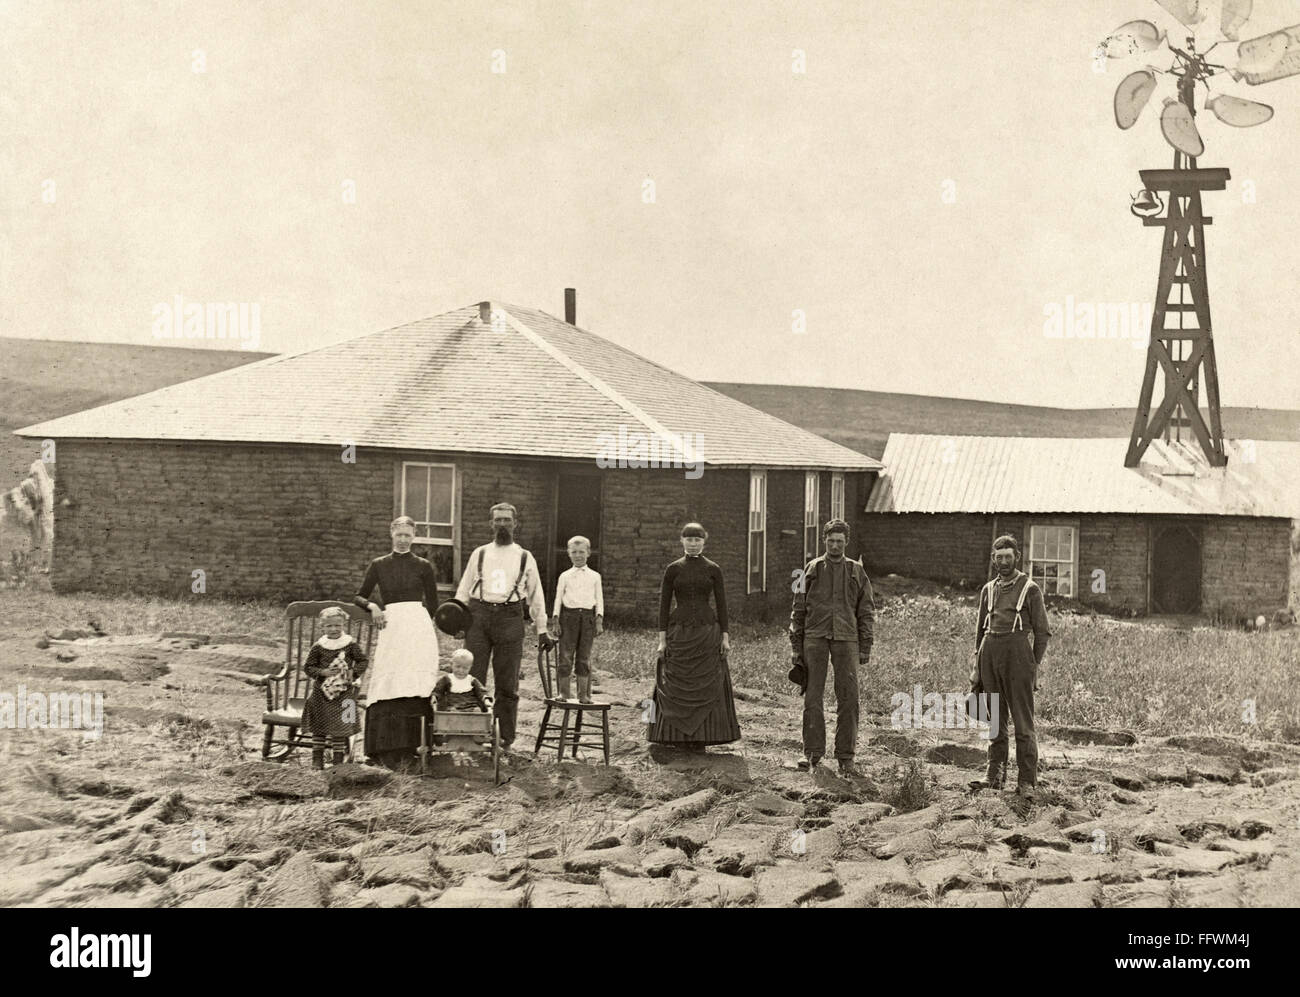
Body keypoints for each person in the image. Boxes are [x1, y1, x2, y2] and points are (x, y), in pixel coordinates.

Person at [453, 502, 552, 752]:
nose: (502, 524)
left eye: (507, 520)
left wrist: (542, 628)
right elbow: (464, 589)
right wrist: (457, 619)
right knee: (471, 676)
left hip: (510, 617)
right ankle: (470, 732)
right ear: (491, 524)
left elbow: (536, 594)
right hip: (478, 615)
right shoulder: (480, 553)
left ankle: (504, 737)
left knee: (507, 681)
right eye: (498, 520)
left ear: (515, 524)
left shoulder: (524, 556)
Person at [354, 516, 442, 770]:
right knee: (388, 680)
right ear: (391, 534)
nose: (403, 539)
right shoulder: (379, 564)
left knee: (415, 681)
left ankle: (414, 746)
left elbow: (435, 605)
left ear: (414, 536)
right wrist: (373, 606)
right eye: (399, 534)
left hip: (417, 626)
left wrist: (447, 626)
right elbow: (359, 595)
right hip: (391, 624)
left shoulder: (424, 565)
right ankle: (382, 748)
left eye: (408, 535)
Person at [789, 518, 874, 777]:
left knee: (849, 698)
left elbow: (867, 610)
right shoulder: (810, 569)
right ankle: (812, 754)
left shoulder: (857, 571)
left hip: (847, 638)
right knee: (813, 697)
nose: (835, 545)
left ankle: (846, 756)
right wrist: (796, 646)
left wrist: (865, 645)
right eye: (830, 540)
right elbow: (797, 609)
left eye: (840, 541)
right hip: (814, 638)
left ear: (846, 542)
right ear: (824, 540)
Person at [648, 522, 740, 749]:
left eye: (697, 539)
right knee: (671, 679)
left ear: (704, 542)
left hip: (708, 633)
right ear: (682, 541)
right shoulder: (673, 569)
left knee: (707, 683)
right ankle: (669, 735)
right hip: (679, 632)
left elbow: (722, 606)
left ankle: (703, 737)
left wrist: (725, 637)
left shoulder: (713, 569)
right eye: (689, 539)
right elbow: (663, 606)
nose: (693, 543)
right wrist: (662, 640)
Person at [974, 534, 1051, 797]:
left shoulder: (1030, 589)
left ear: (1016, 557)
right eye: (999, 557)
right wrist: (976, 666)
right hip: (990, 652)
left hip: (1018, 656)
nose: (1004, 561)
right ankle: (994, 775)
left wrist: (1034, 666)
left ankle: (1027, 781)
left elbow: (1042, 633)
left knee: (1022, 723)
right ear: (993, 559)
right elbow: (980, 630)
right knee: (996, 719)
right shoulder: (988, 589)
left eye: (1008, 556)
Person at [301, 606, 368, 769]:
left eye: (337, 625)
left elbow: (363, 661)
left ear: (343, 625)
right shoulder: (319, 646)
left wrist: (353, 673)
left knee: (345, 718)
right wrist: (322, 672)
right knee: (317, 716)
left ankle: (338, 760)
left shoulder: (350, 644)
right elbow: (308, 667)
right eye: (329, 626)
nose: (333, 629)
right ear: (322, 627)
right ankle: (317, 759)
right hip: (321, 690)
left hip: (344, 690)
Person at [549, 535, 604, 703]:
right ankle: (564, 693)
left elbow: (599, 599)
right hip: (568, 618)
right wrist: (556, 620)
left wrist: (599, 620)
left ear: (588, 553)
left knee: (584, 657)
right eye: (574, 552)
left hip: (587, 619)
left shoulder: (595, 576)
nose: (578, 555)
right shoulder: (565, 576)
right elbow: (558, 598)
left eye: (581, 552)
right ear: (568, 553)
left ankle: (583, 695)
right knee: (565, 656)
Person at [432, 648, 493, 766]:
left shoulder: (472, 680)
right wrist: (435, 696)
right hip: (454, 707)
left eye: (465, 668)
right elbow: (438, 690)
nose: (461, 671)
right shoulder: (447, 679)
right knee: (451, 714)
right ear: (452, 665)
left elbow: (481, 691)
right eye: (457, 667)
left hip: (470, 708)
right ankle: (449, 738)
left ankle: (477, 735)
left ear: (470, 668)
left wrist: (486, 699)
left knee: (478, 713)